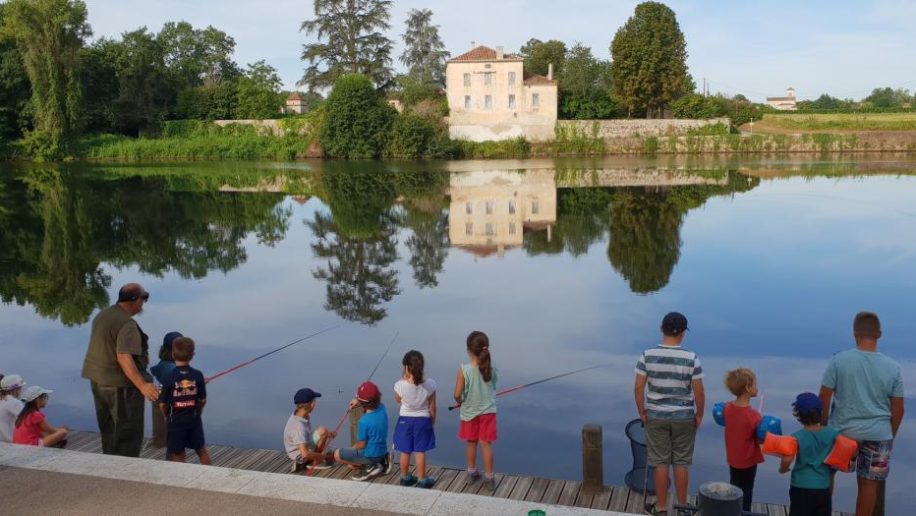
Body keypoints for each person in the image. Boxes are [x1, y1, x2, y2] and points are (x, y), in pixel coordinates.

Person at [819, 311, 904, 516]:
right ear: (879, 334)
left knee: (826, 475)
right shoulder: (894, 367)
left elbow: (824, 396)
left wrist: (823, 427)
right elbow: (898, 409)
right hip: (879, 435)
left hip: (841, 433)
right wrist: (888, 434)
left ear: (854, 333)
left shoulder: (839, 361)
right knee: (869, 486)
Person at [634, 312, 705, 516]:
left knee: (660, 462)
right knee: (681, 462)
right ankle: (683, 507)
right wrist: (699, 415)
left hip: (655, 416)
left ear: (661, 328)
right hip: (684, 416)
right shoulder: (691, 358)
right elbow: (699, 391)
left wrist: (642, 412)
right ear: (683, 333)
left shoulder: (647, 355)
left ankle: (661, 507)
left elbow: (638, 388)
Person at [81, 283, 159, 457]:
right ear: (134, 300)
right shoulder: (127, 324)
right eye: (143, 298)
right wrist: (143, 386)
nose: (143, 303)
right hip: (120, 387)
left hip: (98, 381)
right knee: (127, 435)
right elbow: (124, 357)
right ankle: (125, 473)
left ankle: (109, 467)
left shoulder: (104, 314)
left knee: (109, 430)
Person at [779, 393, 839, 516]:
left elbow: (787, 459)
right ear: (821, 412)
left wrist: (783, 469)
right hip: (823, 487)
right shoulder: (832, 434)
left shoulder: (796, 437)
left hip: (800, 486)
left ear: (798, 415)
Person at [453, 330, 498, 491]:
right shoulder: (492, 369)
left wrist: (459, 401)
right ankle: (489, 477)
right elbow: (493, 387)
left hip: (469, 413)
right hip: (488, 413)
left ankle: (471, 473)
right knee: (486, 444)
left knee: (471, 442)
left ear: (469, 350)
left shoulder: (464, 370)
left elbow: (457, 394)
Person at [157, 337, 210, 465]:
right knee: (201, 450)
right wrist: (198, 412)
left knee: (178, 454)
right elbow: (203, 400)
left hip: (175, 422)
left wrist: (166, 416)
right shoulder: (198, 375)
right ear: (193, 355)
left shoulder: (169, 377)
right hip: (194, 420)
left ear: (173, 354)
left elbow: (162, 404)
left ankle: (180, 479)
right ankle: (210, 477)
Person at [393, 350, 437, 488]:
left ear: (406, 367)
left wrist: (404, 379)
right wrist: (432, 421)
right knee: (420, 450)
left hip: (405, 420)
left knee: (405, 450)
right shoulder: (430, 384)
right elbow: (433, 407)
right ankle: (422, 479)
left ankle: (405, 477)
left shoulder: (400, 385)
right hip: (423, 420)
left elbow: (398, 400)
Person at [722, 368, 764, 511]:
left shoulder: (727, 408)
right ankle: (744, 512)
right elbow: (761, 439)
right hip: (748, 461)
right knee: (747, 488)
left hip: (733, 458)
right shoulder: (754, 417)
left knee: (734, 485)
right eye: (755, 384)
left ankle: (732, 510)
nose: (756, 387)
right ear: (747, 387)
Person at [334, 381, 391, 481]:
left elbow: (361, 445)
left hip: (371, 455)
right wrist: (358, 400)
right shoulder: (382, 408)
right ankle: (381, 461)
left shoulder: (364, 421)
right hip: (382, 451)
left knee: (337, 454)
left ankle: (370, 466)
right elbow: (372, 401)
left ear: (362, 403)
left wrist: (353, 448)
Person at [283, 387, 336, 473]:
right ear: (311, 404)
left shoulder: (301, 414)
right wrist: (322, 456)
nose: (315, 403)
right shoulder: (298, 427)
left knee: (323, 431)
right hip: (299, 456)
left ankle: (316, 458)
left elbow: (306, 434)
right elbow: (305, 454)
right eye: (314, 401)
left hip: (302, 445)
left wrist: (328, 434)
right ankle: (313, 462)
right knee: (330, 451)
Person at [150, 331, 182, 448]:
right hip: (167, 401)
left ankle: (159, 444)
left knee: (160, 430)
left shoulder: (163, 364)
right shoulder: (171, 368)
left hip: (159, 397)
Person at [1, 374, 26, 443]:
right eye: (20, 387)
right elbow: (29, 421)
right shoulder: (14, 402)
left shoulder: (2, 400)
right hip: (10, 444)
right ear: (15, 389)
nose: (21, 390)